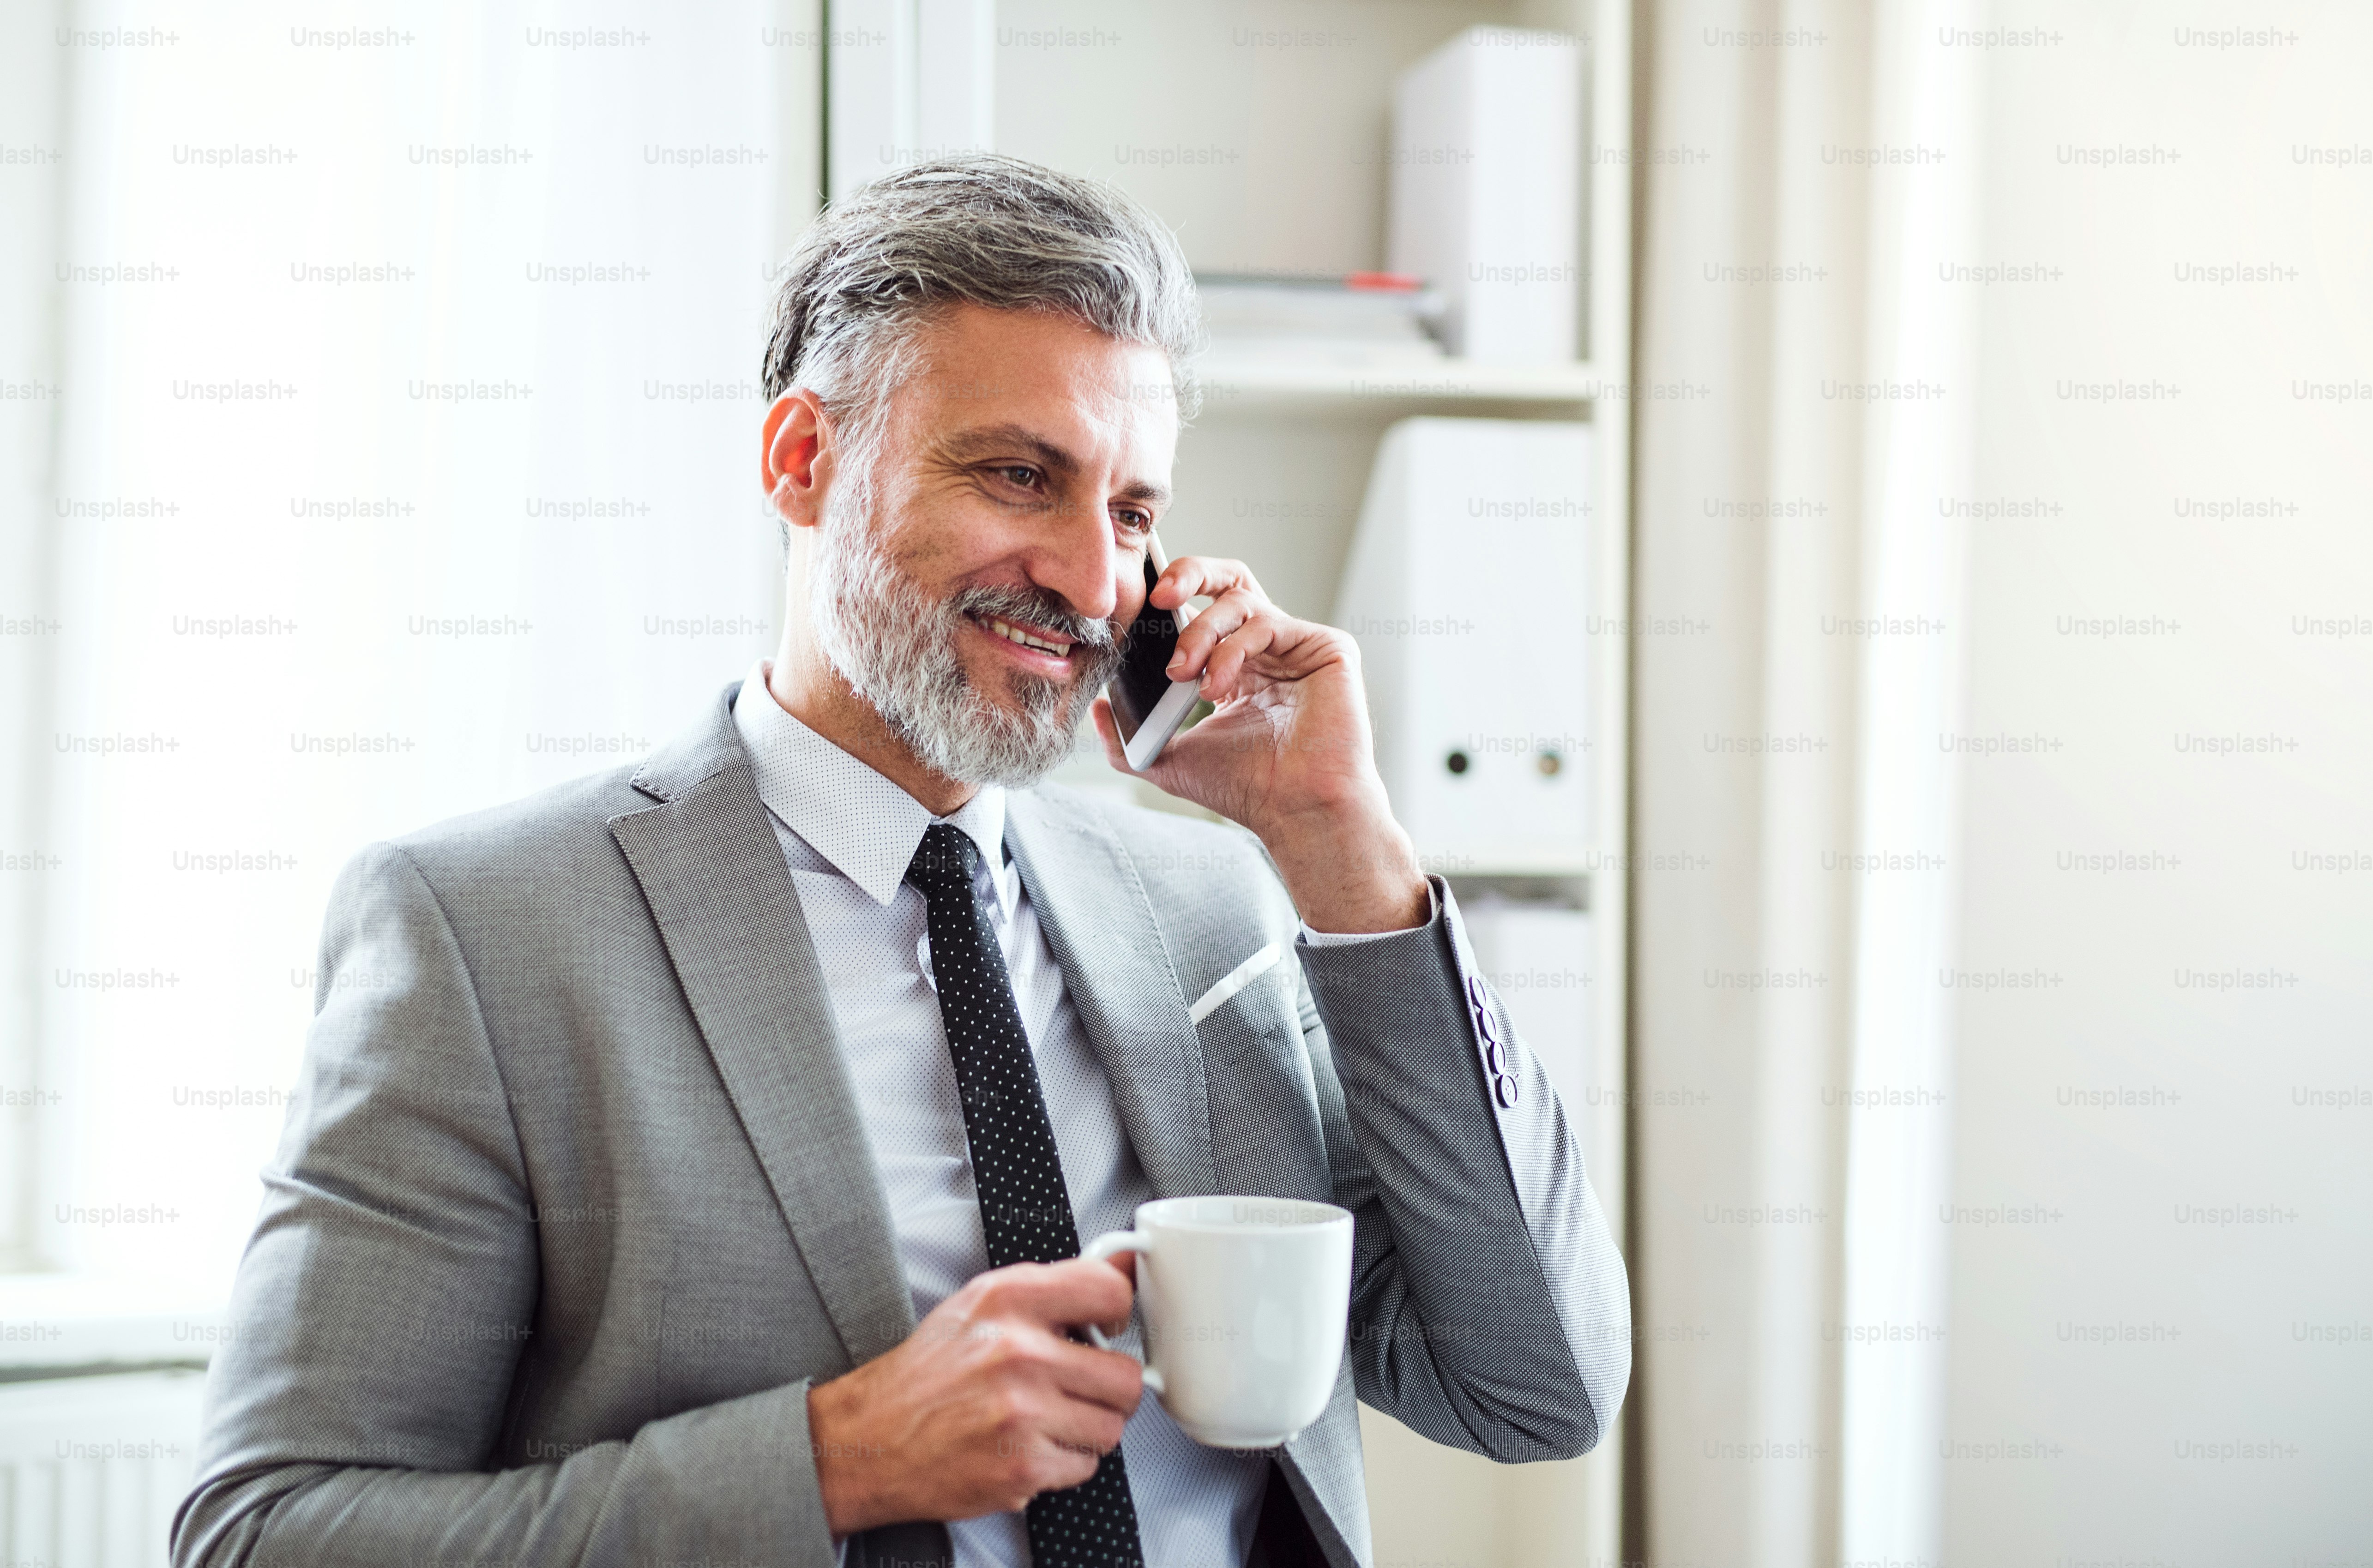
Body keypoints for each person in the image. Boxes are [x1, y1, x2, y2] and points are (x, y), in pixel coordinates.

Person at [172, 154, 1628, 1568]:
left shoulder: (1214, 911)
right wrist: (834, 1461)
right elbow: (272, 1532)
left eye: (1131, 513)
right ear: (802, 461)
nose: (1093, 578)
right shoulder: (485, 931)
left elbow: (1535, 1389)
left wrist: (1343, 846)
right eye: (1017, 474)